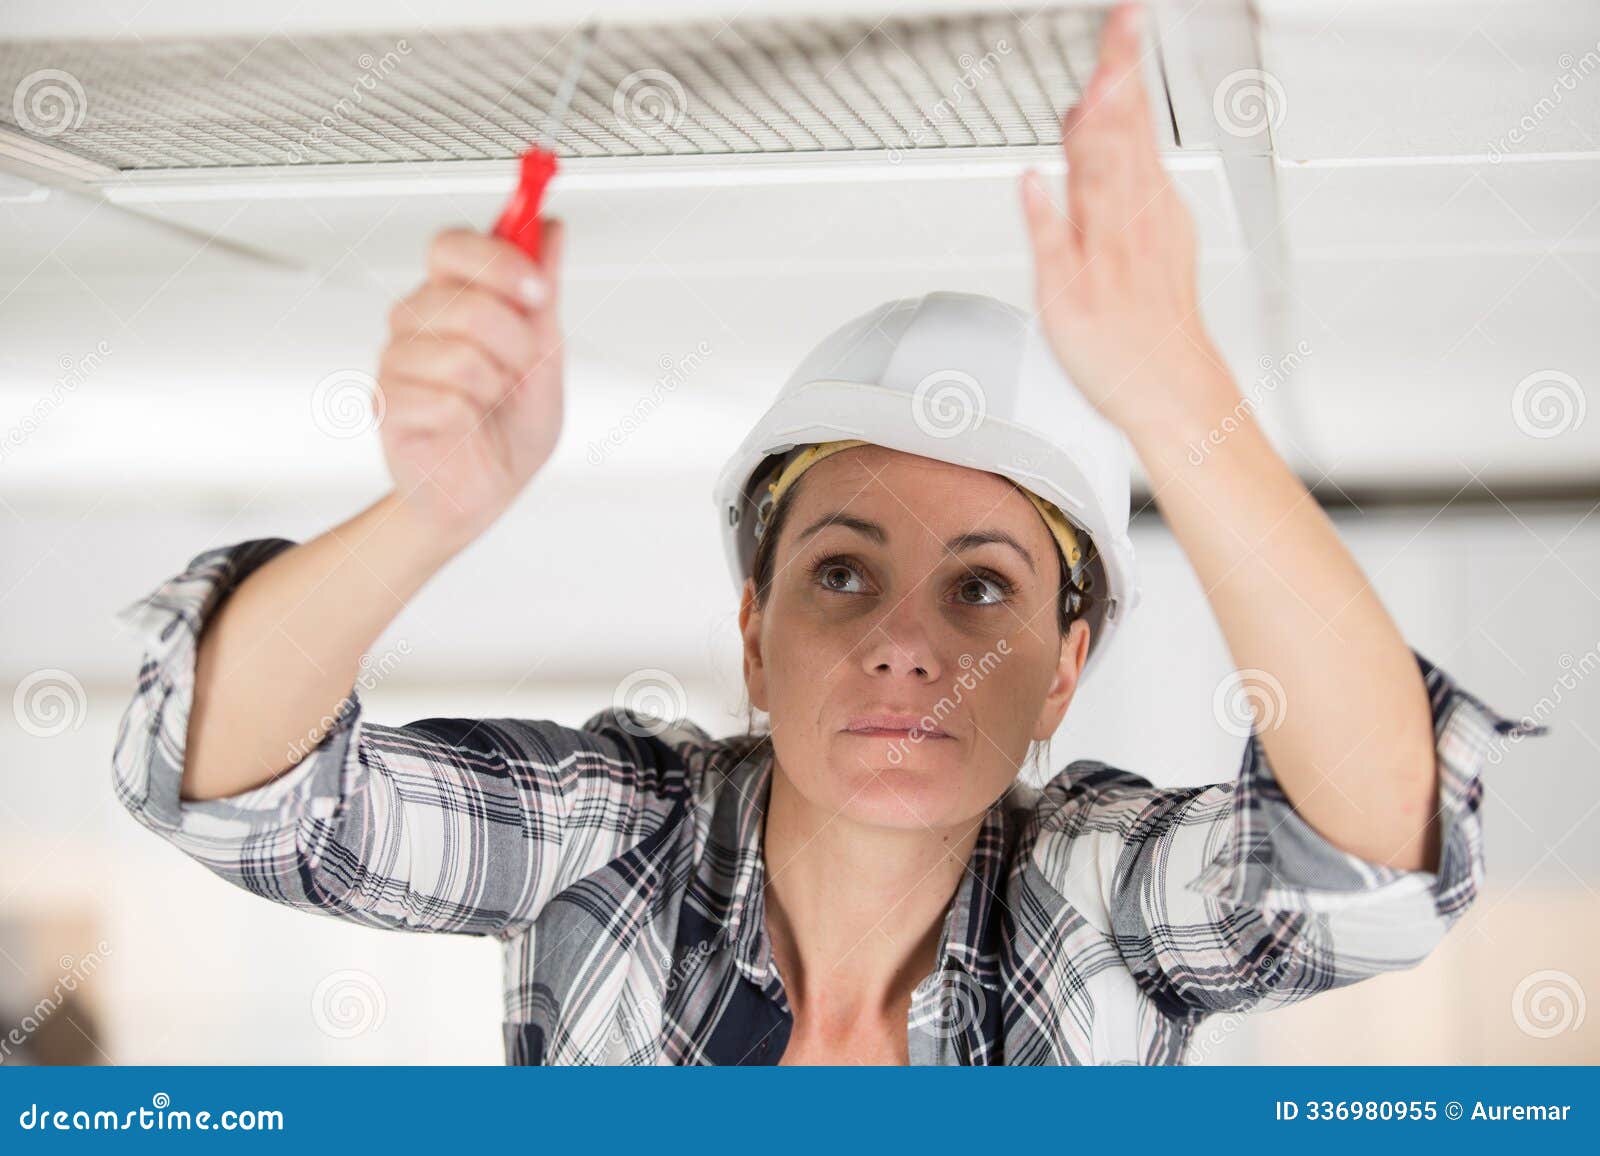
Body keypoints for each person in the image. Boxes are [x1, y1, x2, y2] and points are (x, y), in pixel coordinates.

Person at [110, 3, 1548, 1065]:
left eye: (984, 587)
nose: (906, 645)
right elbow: (237, 793)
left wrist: (1186, 411)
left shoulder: (1097, 899)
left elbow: (1370, 873)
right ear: (752, 628)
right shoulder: (623, 839)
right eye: (840, 570)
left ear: (1063, 670)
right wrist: (428, 516)